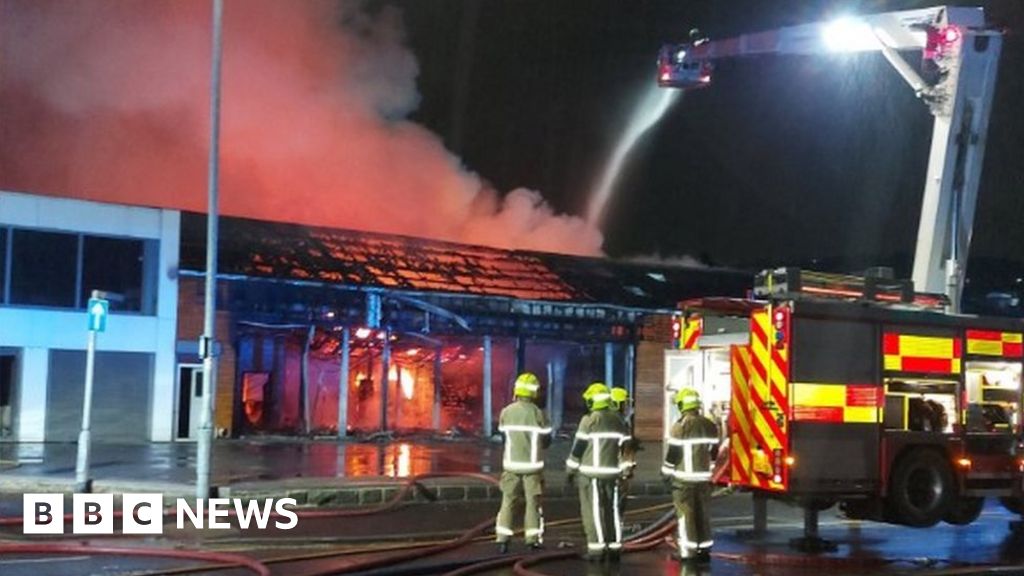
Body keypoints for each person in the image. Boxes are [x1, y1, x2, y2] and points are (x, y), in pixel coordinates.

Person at [566, 382, 631, 562]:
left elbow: (578, 448)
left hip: (591, 475)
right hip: (612, 475)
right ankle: (614, 547)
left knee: (593, 512)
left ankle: (596, 550)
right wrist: (625, 473)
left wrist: (570, 470)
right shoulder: (619, 421)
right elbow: (625, 449)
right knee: (612, 511)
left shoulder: (589, 420)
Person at [494, 372, 552, 553]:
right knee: (533, 503)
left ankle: (502, 540)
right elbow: (547, 440)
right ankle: (532, 540)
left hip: (511, 466)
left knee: (508, 501)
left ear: (516, 390)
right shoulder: (538, 414)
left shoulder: (507, 412)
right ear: (535, 392)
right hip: (532, 468)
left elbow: (504, 436)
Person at [662, 388, 718, 564]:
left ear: (681, 405)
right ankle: (704, 549)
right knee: (702, 514)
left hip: (683, 480)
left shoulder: (680, 426)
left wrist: (665, 472)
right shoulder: (710, 425)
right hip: (703, 479)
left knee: (686, 516)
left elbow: (673, 454)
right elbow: (714, 452)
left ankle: (688, 552)